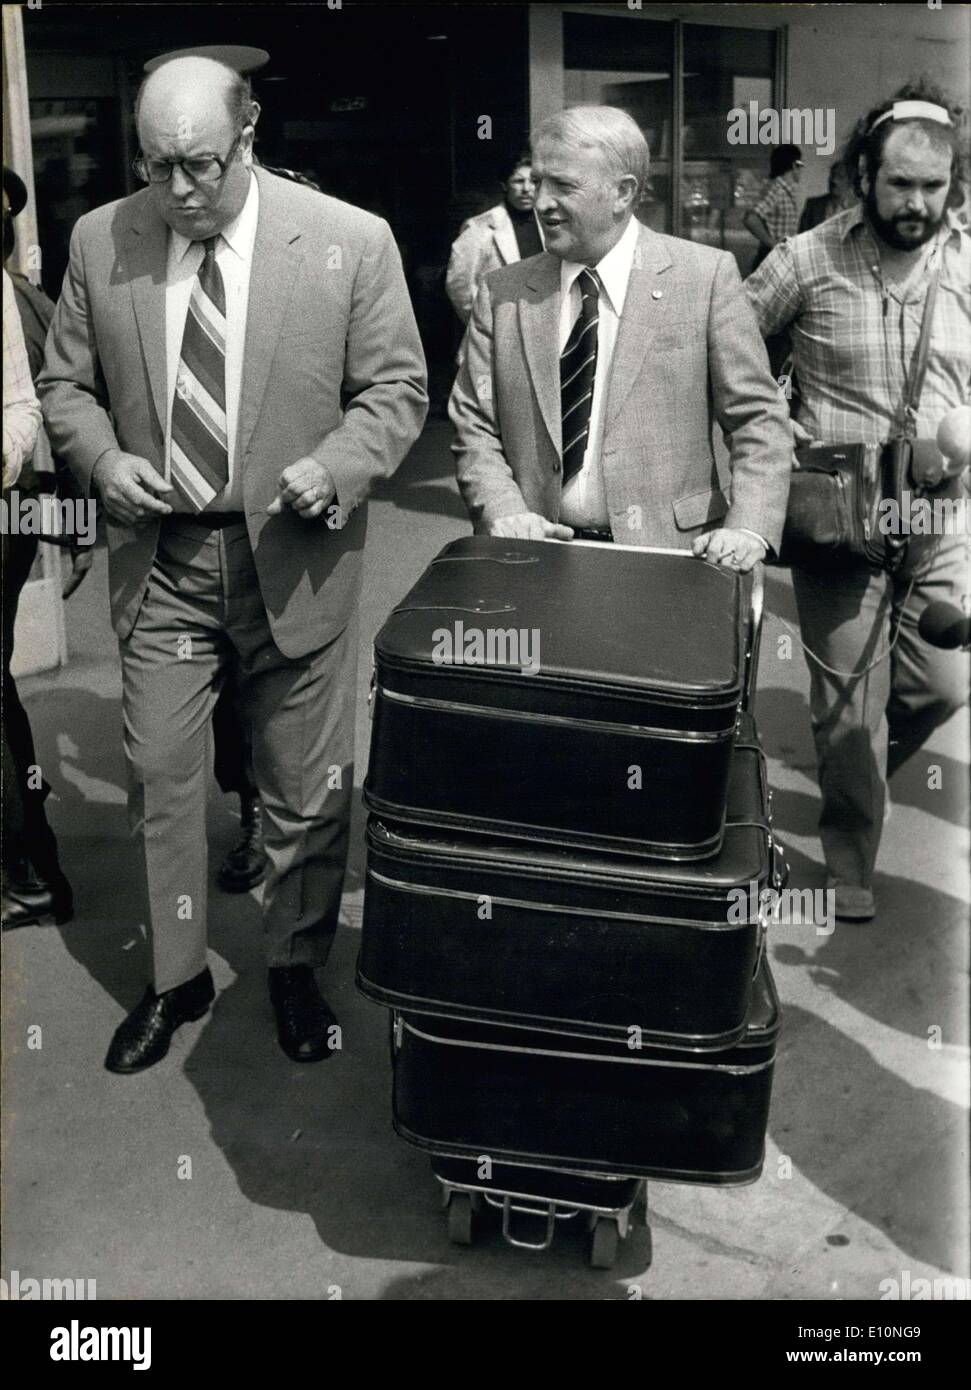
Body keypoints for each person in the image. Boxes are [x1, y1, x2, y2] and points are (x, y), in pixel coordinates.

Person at [38, 55, 427, 1072]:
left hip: (294, 558)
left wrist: (333, 466)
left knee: (303, 788)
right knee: (161, 779)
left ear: (248, 137)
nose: (176, 191)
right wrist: (101, 456)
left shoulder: (349, 241)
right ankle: (175, 978)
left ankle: (293, 966)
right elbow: (65, 385)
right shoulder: (98, 237)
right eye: (155, 166)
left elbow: (395, 389)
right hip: (163, 557)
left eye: (199, 166)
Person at [745, 82, 971, 921]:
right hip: (837, 517)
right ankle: (849, 854)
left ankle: (858, 771)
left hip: (939, 519)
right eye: (899, 184)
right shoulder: (806, 258)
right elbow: (731, 354)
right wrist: (776, 435)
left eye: (933, 186)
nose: (916, 203)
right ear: (863, 175)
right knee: (844, 710)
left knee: (940, 687)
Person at [449, 105, 792, 577]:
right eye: (538, 180)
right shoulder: (503, 292)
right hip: (536, 560)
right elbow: (474, 423)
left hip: (673, 560)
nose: (541, 201)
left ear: (623, 193)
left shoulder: (704, 278)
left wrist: (749, 526)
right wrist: (503, 510)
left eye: (563, 186)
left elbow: (757, 417)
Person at [1, 168, 76, 929]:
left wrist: (75, 535)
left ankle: (29, 865)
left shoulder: (18, 298)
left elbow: (36, 406)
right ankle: (30, 859)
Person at [445, 153, 544, 325]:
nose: (526, 189)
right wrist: (485, 325)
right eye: (518, 181)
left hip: (544, 323)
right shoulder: (480, 227)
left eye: (533, 181)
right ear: (504, 185)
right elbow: (459, 284)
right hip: (501, 327)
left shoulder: (549, 223)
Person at [743, 144, 803, 268]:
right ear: (794, 165)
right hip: (772, 260)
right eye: (800, 166)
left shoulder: (783, 191)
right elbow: (750, 218)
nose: (801, 171)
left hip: (780, 260)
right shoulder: (777, 190)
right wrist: (772, 243)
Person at [798, 160, 853, 234]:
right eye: (833, 175)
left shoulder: (856, 209)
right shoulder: (812, 206)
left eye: (840, 176)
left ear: (850, 181)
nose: (834, 180)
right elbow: (802, 238)